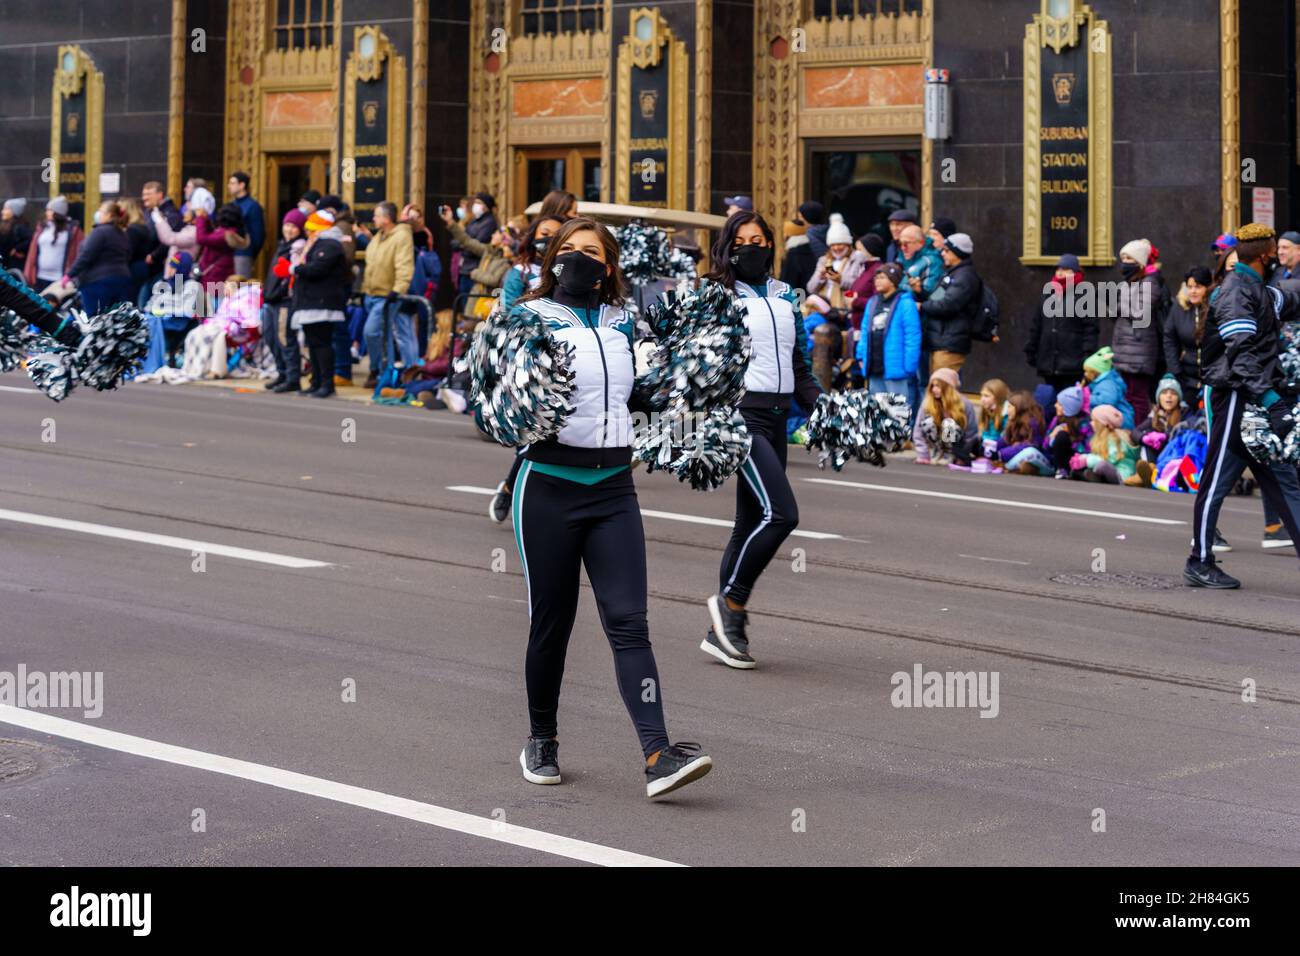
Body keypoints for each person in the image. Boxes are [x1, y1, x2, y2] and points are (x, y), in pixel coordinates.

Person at [503, 216, 714, 797]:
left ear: (609, 265)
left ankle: (657, 754)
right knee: (553, 623)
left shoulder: (626, 324)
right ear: (551, 260)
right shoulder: (529, 317)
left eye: (590, 252)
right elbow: (495, 404)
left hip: (615, 491)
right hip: (547, 487)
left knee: (629, 623)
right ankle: (541, 739)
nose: (576, 260)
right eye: (567, 251)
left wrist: (688, 383)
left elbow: (642, 397)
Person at [701, 211, 822, 670]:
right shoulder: (716, 296)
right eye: (742, 240)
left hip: (777, 418)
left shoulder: (785, 296)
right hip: (740, 416)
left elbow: (800, 365)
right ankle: (731, 602)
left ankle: (721, 632)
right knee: (782, 513)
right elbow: (699, 367)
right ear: (728, 246)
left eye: (760, 240)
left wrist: (827, 410)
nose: (752, 247)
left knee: (749, 519)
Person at [1186, 223, 1300, 588]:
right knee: (1217, 480)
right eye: (1274, 252)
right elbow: (1242, 355)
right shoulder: (1236, 292)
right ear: (1266, 256)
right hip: (1236, 397)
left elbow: (1290, 301)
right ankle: (1199, 561)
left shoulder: (1257, 289)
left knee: (1284, 480)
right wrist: (1271, 400)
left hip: (1256, 399)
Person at [285, 209, 351, 398]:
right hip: (311, 300)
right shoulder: (319, 243)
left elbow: (318, 268)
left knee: (322, 343)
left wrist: (294, 268)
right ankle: (317, 381)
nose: (308, 233)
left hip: (323, 301)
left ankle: (327, 384)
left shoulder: (329, 244)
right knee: (313, 343)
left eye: (311, 229)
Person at [360, 201, 417, 388]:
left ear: (386, 218)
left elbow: (404, 264)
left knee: (372, 332)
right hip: (372, 294)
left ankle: (380, 369)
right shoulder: (379, 237)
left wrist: (398, 289)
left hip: (387, 295)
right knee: (383, 335)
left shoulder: (400, 237)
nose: (373, 219)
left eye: (376, 215)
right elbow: (372, 264)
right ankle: (387, 373)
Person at [1111, 238, 1168, 424]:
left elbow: (1139, 312)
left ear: (1140, 262)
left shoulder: (1150, 283)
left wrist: (1117, 306)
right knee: (1127, 396)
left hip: (1139, 350)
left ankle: (1140, 432)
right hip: (1127, 350)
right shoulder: (1130, 282)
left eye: (1129, 258)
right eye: (1124, 258)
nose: (1125, 262)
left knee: (1138, 397)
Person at [1025, 253, 1098, 397]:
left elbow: (1091, 329)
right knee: (1051, 402)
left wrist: (1087, 356)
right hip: (1049, 362)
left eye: (1065, 269)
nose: (1060, 272)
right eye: (1058, 269)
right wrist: (1031, 349)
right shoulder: (1048, 294)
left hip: (1072, 363)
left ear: (1075, 272)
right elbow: (1037, 324)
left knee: (1070, 401)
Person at [917, 232, 981, 376]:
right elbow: (936, 299)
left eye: (947, 250)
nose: (942, 253)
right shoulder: (952, 274)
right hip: (940, 341)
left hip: (949, 343)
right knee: (936, 388)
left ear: (957, 253)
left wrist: (922, 306)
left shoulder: (964, 277)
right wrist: (921, 291)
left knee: (944, 388)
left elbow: (947, 305)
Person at [855, 262, 921, 399]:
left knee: (898, 410)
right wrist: (861, 355)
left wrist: (909, 365)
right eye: (876, 278)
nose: (877, 281)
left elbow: (913, 336)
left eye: (882, 277)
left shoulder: (905, 303)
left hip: (896, 366)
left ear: (893, 281)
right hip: (874, 365)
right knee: (877, 409)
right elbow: (864, 330)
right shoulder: (872, 302)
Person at [263, 208, 308, 391]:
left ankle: (292, 377)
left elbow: (293, 274)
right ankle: (282, 372)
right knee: (271, 337)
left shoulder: (298, 247)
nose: (289, 229)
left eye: (293, 226)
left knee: (284, 338)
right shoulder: (283, 245)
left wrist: (281, 290)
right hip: (273, 299)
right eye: (287, 225)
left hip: (285, 300)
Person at [66, 200, 133, 314]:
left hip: (97, 283)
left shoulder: (99, 232)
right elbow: (128, 255)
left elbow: (86, 256)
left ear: (109, 215)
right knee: (118, 320)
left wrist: (69, 275)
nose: (98, 214)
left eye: (100, 211)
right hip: (122, 279)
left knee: (95, 320)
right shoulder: (122, 234)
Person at [913, 366, 978, 466]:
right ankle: (937, 452)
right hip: (936, 440)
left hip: (957, 444)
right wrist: (923, 453)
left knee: (949, 423)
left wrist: (963, 454)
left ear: (948, 387)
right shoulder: (927, 403)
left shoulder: (964, 404)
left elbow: (971, 432)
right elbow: (918, 430)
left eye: (938, 386)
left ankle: (949, 454)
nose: (934, 389)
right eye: (933, 386)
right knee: (928, 422)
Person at [1163, 266, 1211, 397]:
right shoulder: (1179, 308)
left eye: (1198, 287)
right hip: (1186, 379)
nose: (1193, 291)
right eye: (1189, 287)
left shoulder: (1216, 308)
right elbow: (1169, 338)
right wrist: (1176, 370)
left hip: (1213, 379)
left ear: (1208, 287)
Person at [24, 196, 83, 291]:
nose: (47, 212)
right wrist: (28, 273)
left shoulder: (73, 229)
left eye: (50, 210)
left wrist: (73, 276)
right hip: (39, 277)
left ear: (58, 212)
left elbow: (79, 253)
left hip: (61, 279)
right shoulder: (42, 227)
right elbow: (32, 252)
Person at [1071, 404, 1138, 484]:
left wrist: (1087, 460)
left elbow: (1110, 459)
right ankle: (1089, 476)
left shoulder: (1116, 438)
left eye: (1094, 421)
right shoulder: (1099, 438)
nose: (1091, 423)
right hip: (1107, 472)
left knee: (1102, 466)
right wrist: (1082, 458)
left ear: (1103, 424)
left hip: (1122, 475)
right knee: (1086, 469)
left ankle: (1094, 477)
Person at [998, 389, 1052, 475]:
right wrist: (992, 447)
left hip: (1043, 462)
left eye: (1009, 406)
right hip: (1020, 459)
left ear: (1019, 407)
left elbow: (1030, 446)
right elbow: (1005, 440)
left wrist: (1001, 454)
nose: (1007, 410)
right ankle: (1006, 466)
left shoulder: (1033, 423)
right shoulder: (1012, 422)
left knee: (1029, 452)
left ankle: (1005, 466)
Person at [194, 202, 248, 287]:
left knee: (213, 299)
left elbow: (202, 238)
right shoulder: (229, 232)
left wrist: (200, 218)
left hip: (215, 279)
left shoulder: (225, 235)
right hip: (217, 276)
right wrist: (206, 220)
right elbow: (210, 236)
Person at [1043, 385, 1092, 479]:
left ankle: (1079, 472)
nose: (1055, 405)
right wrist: (1052, 436)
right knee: (1061, 436)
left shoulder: (1084, 423)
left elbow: (1088, 449)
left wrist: (1073, 441)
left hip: (1077, 458)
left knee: (1063, 436)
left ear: (1067, 408)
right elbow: (1045, 446)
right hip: (1059, 459)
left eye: (1059, 404)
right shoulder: (1056, 420)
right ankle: (1062, 469)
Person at [457, 192, 499, 297]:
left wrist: (464, 245)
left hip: (475, 269)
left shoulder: (489, 223)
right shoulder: (474, 221)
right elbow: (460, 241)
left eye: (479, 202)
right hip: (466, 268)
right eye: (475, 202)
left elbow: (476, 246)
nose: (475, 205)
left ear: (487, 206)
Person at [1081, 346, 1134, 429]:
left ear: (1095, 372)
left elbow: (1108, 400)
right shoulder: (1100, 383)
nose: (1085, 374)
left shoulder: (1108, 384)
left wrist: (1087, 398)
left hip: (1119, 421)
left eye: (1087, 371)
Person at [226, 171, 265, 279]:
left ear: (242, 185)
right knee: (223, 288)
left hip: (242, 253)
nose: (229, 186)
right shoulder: (231, 205)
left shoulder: (253, 206)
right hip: (226, 254)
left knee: (241, 288)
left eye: (232, 183)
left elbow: (258, 235)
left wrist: (250, 252)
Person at [140, 181, 182, 279]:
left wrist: (154, 255)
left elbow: (171, 238)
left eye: (148, 194)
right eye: (143, 194)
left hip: (162, 266)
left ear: (160, 195)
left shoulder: (171, 214)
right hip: (149, 266)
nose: (144, 198)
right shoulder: (148, 211)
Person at [778, 216, 817, 294]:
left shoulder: (792, 255)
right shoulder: (809, 250)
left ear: (788, 235)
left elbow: (788, 284)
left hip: (796, 300)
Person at [1, 198, 34, 273]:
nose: (2, 211)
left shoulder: (19, 226)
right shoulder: (5, 225)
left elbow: (30, 240)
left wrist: (16, 249)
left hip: (14, 267)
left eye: (6, 209)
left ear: (14, 211)